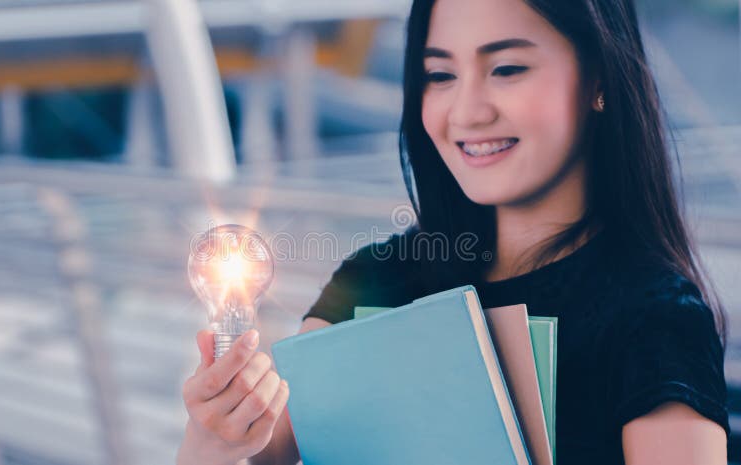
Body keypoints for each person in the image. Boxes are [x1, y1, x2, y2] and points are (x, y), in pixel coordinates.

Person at [177, 0, 731, 463]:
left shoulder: (654, 318)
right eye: (440, 75)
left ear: (600, 78)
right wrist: (213, 431)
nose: (466, 111)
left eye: (507, 69)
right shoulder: (377, 278)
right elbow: (254, 450)